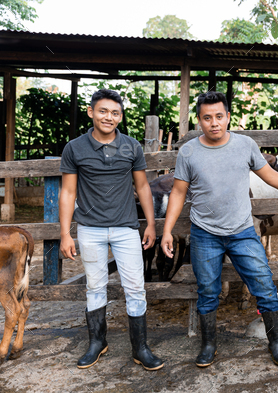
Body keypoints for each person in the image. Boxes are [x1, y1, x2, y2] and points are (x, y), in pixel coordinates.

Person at [161, 91, 278, 368]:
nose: (214, 122)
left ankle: (275, 342)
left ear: (228, 117)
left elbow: (270, 176)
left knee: (263, 285)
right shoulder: (189, 152)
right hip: (205, 234)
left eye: (219, 116)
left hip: (242, 232)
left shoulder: (245, 145)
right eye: (206, 118)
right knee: (207, 291)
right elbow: (178, 193)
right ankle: (208, 344)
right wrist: (167, 231)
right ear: (199, 121)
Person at [59, 89, 164, 371]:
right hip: (90, 228)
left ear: (120, 116)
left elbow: (142, 186)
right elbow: (68, 192)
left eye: (115, 113)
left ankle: (140, 347)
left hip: (125, 227)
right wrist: (66, 233)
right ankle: (97, 342)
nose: (109, 117)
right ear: (91, 112)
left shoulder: (131, 146)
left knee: (135, 287)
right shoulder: (75, 148)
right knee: (95, 286)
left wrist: (151, 224)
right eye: (103, 111)